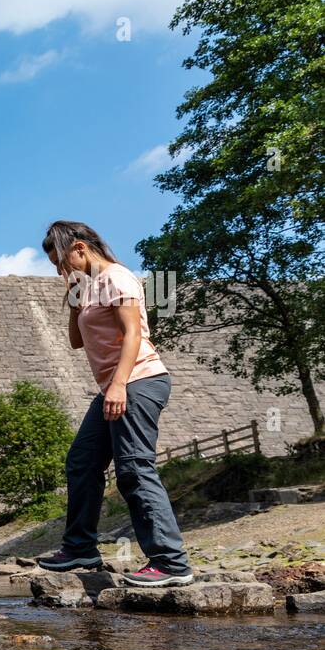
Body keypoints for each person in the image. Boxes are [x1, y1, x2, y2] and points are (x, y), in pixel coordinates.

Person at [36, 220, 193, 586]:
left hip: (139, 381)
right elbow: (77, 341)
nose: (61, 270)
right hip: (114, 386)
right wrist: (74, 298)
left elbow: (133, 333)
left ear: (78, 248)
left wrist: (120, 384)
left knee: (134, 467)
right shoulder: (88, 287)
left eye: (61, 262)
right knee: (82, 460)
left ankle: (171, 563)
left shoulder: (118, 278)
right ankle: (80, 548)